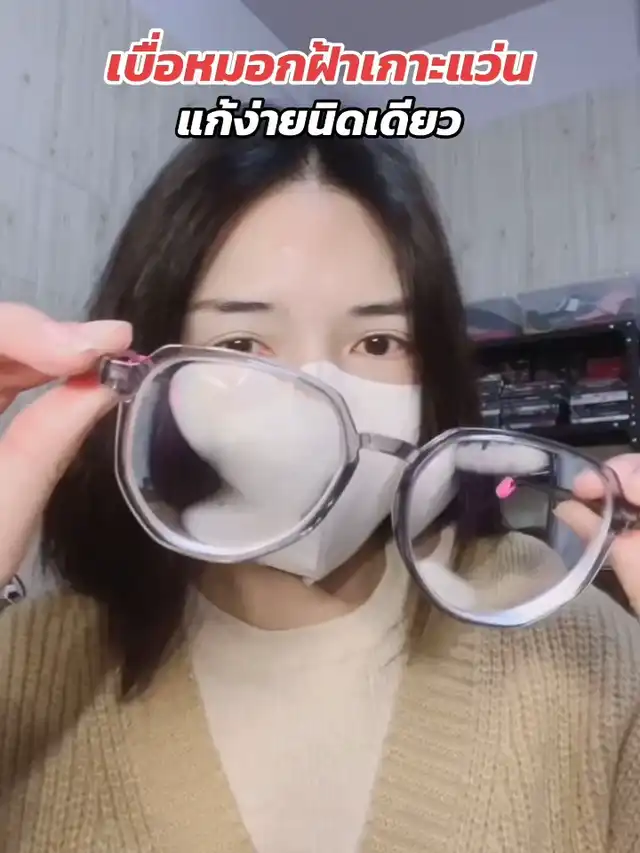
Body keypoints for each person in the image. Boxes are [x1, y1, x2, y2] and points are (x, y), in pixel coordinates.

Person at [1, 126, 640, 853]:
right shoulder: (28, 668)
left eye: (378, 343)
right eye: (243, 343)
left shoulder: (577, 646)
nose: (319, 397)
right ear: (147, 372)